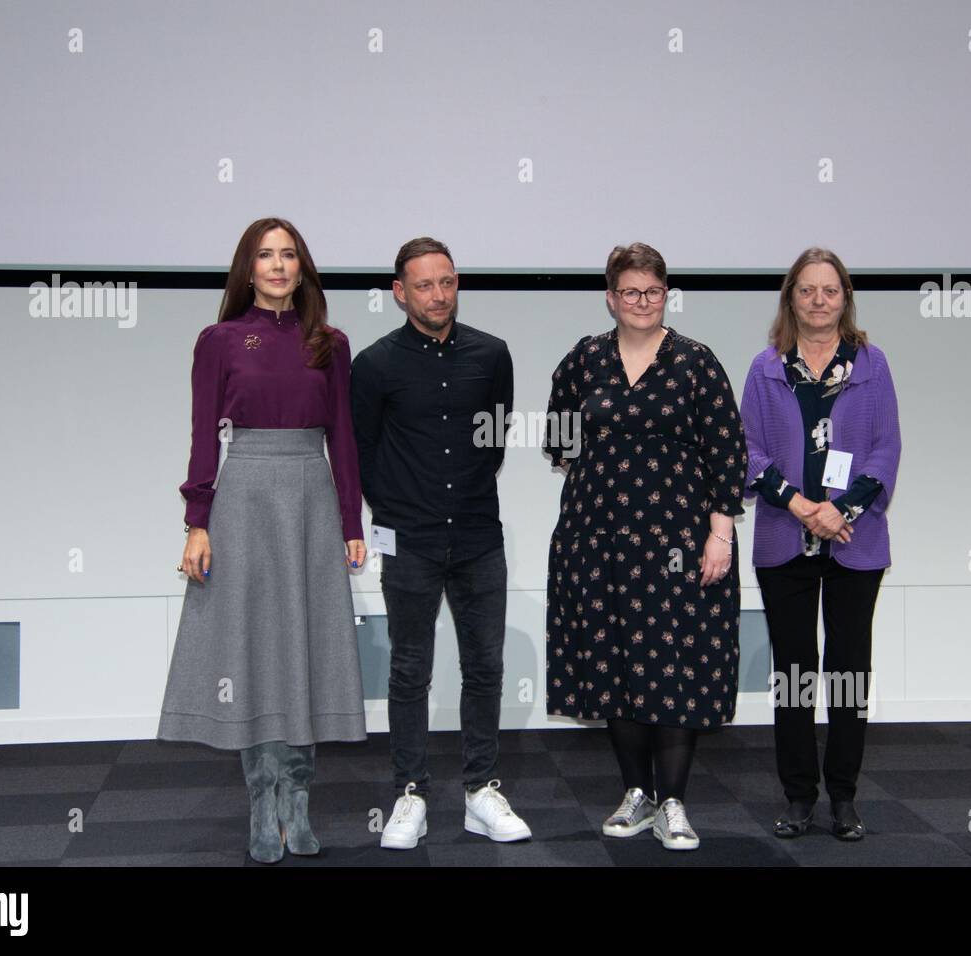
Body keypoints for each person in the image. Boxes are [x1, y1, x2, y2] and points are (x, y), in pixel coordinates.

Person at [158, 217, 368, 863]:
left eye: (289, 255)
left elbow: (344, 439)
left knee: (305, 646)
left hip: (309, 494)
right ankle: (261, 799)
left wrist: (351, 522)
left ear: (302, 268)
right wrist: (198, 520)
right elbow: (201, 435)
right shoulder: (218, 340)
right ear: (248, 269)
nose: (278, 265)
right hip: (244, 495)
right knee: (251, 649)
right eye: (265, 255)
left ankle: (299, 800)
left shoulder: (329, 342)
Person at [544, 242, 749, 850]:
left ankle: (674, 803)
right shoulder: (582, 361)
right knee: (615, 668)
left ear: (667, 296)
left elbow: (728, 455)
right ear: (611, 298)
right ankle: (636, 794)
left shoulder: (696, 363)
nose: (641, 302)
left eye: (653, 292)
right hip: (597, 541)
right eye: (630, 292)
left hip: (679, 547)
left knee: (673, 670)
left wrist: (720, 535)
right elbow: (559, 443)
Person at [350, 237, 530, 849]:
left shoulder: (493, 354)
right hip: (410, 542)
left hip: (480, 535)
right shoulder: (373, 366)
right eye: (424, 285)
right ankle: (411, 793)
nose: (438, 295)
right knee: (409, 671)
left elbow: (496, 438)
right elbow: (364, 454)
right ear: (400, 293)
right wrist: (396, 512)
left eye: (447, 282)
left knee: (486, 668)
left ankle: (481, 790)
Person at [740, 247, 901, 841]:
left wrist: (841, 510)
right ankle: (799, 796)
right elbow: (748, 453)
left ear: (844, 298)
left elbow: (886, 449)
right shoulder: (765, 367)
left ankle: (844, 797)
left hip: (854, 544)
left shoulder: (872, 364)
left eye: (829, 291)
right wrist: (802, 506)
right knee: (795, 675)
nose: (818, 301)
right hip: (786, 542)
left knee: (848, 673)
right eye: (806, 291)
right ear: (791, 299)